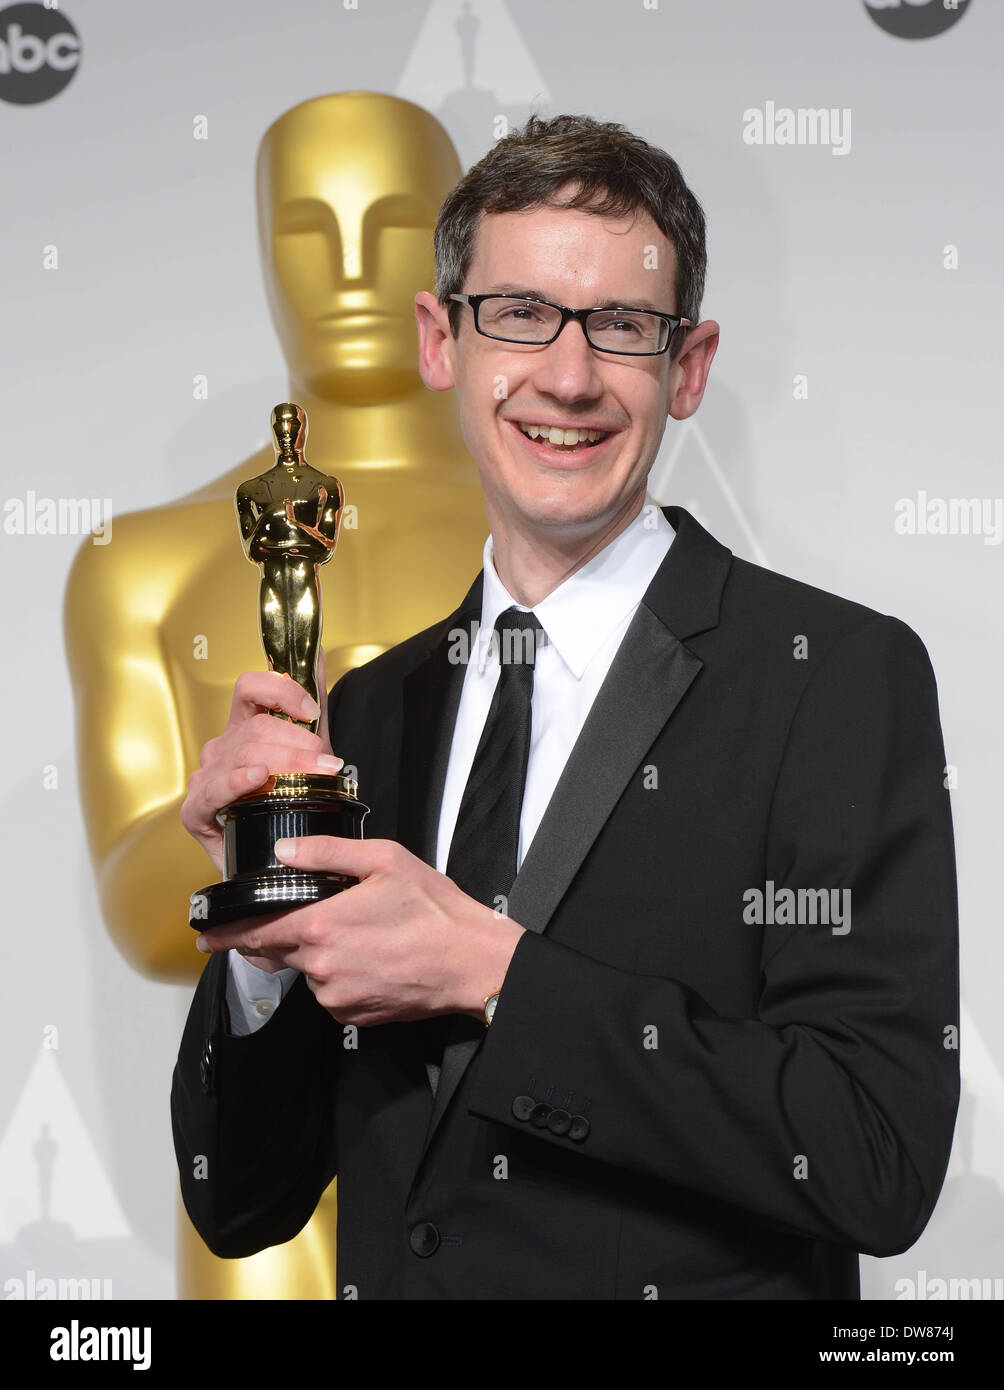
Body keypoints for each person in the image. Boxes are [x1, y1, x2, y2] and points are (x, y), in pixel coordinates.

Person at [171, 114, 959, 1300]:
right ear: (442, 341)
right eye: (520, 313)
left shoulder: (830, 677)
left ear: (684, 368)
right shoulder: (366, 717)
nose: (569, 375)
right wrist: (264, 946)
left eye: (622, 328)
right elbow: (238, 1202)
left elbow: (871, 1154)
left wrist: (498, 977)